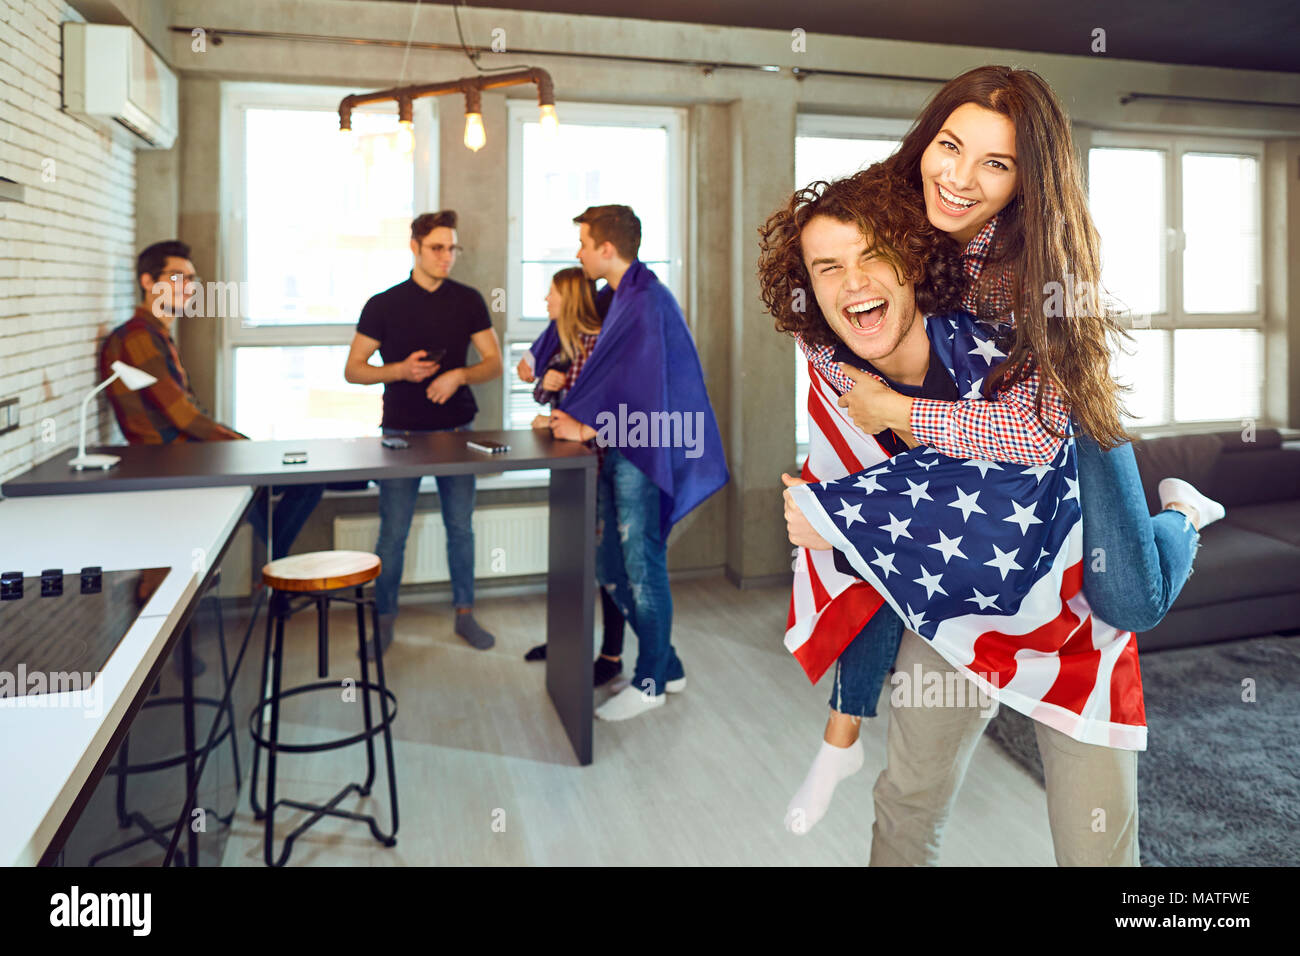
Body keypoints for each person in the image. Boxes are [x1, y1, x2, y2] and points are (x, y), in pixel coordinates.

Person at [760, 167, 1144, 866]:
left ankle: (1179, 510)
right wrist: (839, 523)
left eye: (874, 255)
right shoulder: (836, 367)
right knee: (905, 806)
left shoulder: (1004, 356)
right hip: (952, 617)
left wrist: (844, 520)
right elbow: (871, 533)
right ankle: (839, 743)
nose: (853, 281)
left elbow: (1007, 501)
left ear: (913, 263)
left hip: (1072, 617)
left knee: (1098, 850)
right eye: (828, 268)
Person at [797, 66, 1223, 641]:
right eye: (949, 147)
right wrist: (855, 374)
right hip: (964, 426)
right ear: (928, 142)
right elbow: (820, 314)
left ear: (1025, 182)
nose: (959, 179)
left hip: (1068, 414)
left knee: (1129, 602)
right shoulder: (884, 207)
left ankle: (1186, 512)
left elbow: (1035, 433)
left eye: (995, 164)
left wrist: (894, 410)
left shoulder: (1027, 274)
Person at [543, 204, 729, 720]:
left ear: (607, 248)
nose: (578, 252)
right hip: (622, 449)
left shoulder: (645, 300)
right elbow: (599, 363)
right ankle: (666, 664)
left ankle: (648, 682)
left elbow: (644, 388)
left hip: (643, 453)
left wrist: (585, 425)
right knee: (608, 563)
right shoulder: (619, 295)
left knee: (642, 565)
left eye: (583, 243)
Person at [100, 240, 324, 563]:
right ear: (148, 282)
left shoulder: (155, 333)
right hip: (170, 462)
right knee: (298, 481)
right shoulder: (138, 337)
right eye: (178, 277)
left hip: (184, 455)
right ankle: (276, 573)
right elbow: (184, 418)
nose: (188, 287)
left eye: (192, 279)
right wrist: (242, 445)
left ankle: (275, 571)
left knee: (296, 482)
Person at [344, 211, 502, 657]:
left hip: (457, 432)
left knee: (460, 527)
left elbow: (492, 362)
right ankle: (384, 621)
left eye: (453, 248)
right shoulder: (384, 303)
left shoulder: (468, 300)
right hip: (400, 435)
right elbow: (353, 370)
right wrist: (400, 370)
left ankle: (465, 615)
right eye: (437, 248)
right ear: (414, 247)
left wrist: (457, 376)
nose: (447, 256)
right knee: (392, 532)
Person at [516, 267, 628, 687]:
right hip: (573, 469)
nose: (546, 301)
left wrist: (559, 414)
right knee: (572, 560)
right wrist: (548, 391)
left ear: (570, 300)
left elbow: (603, 409)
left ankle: (611, 655)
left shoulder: (596, 346)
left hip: (599, 468)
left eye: (551, 294)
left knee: (605, 565)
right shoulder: (568, 344)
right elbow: (548, 393)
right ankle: (565, 640)